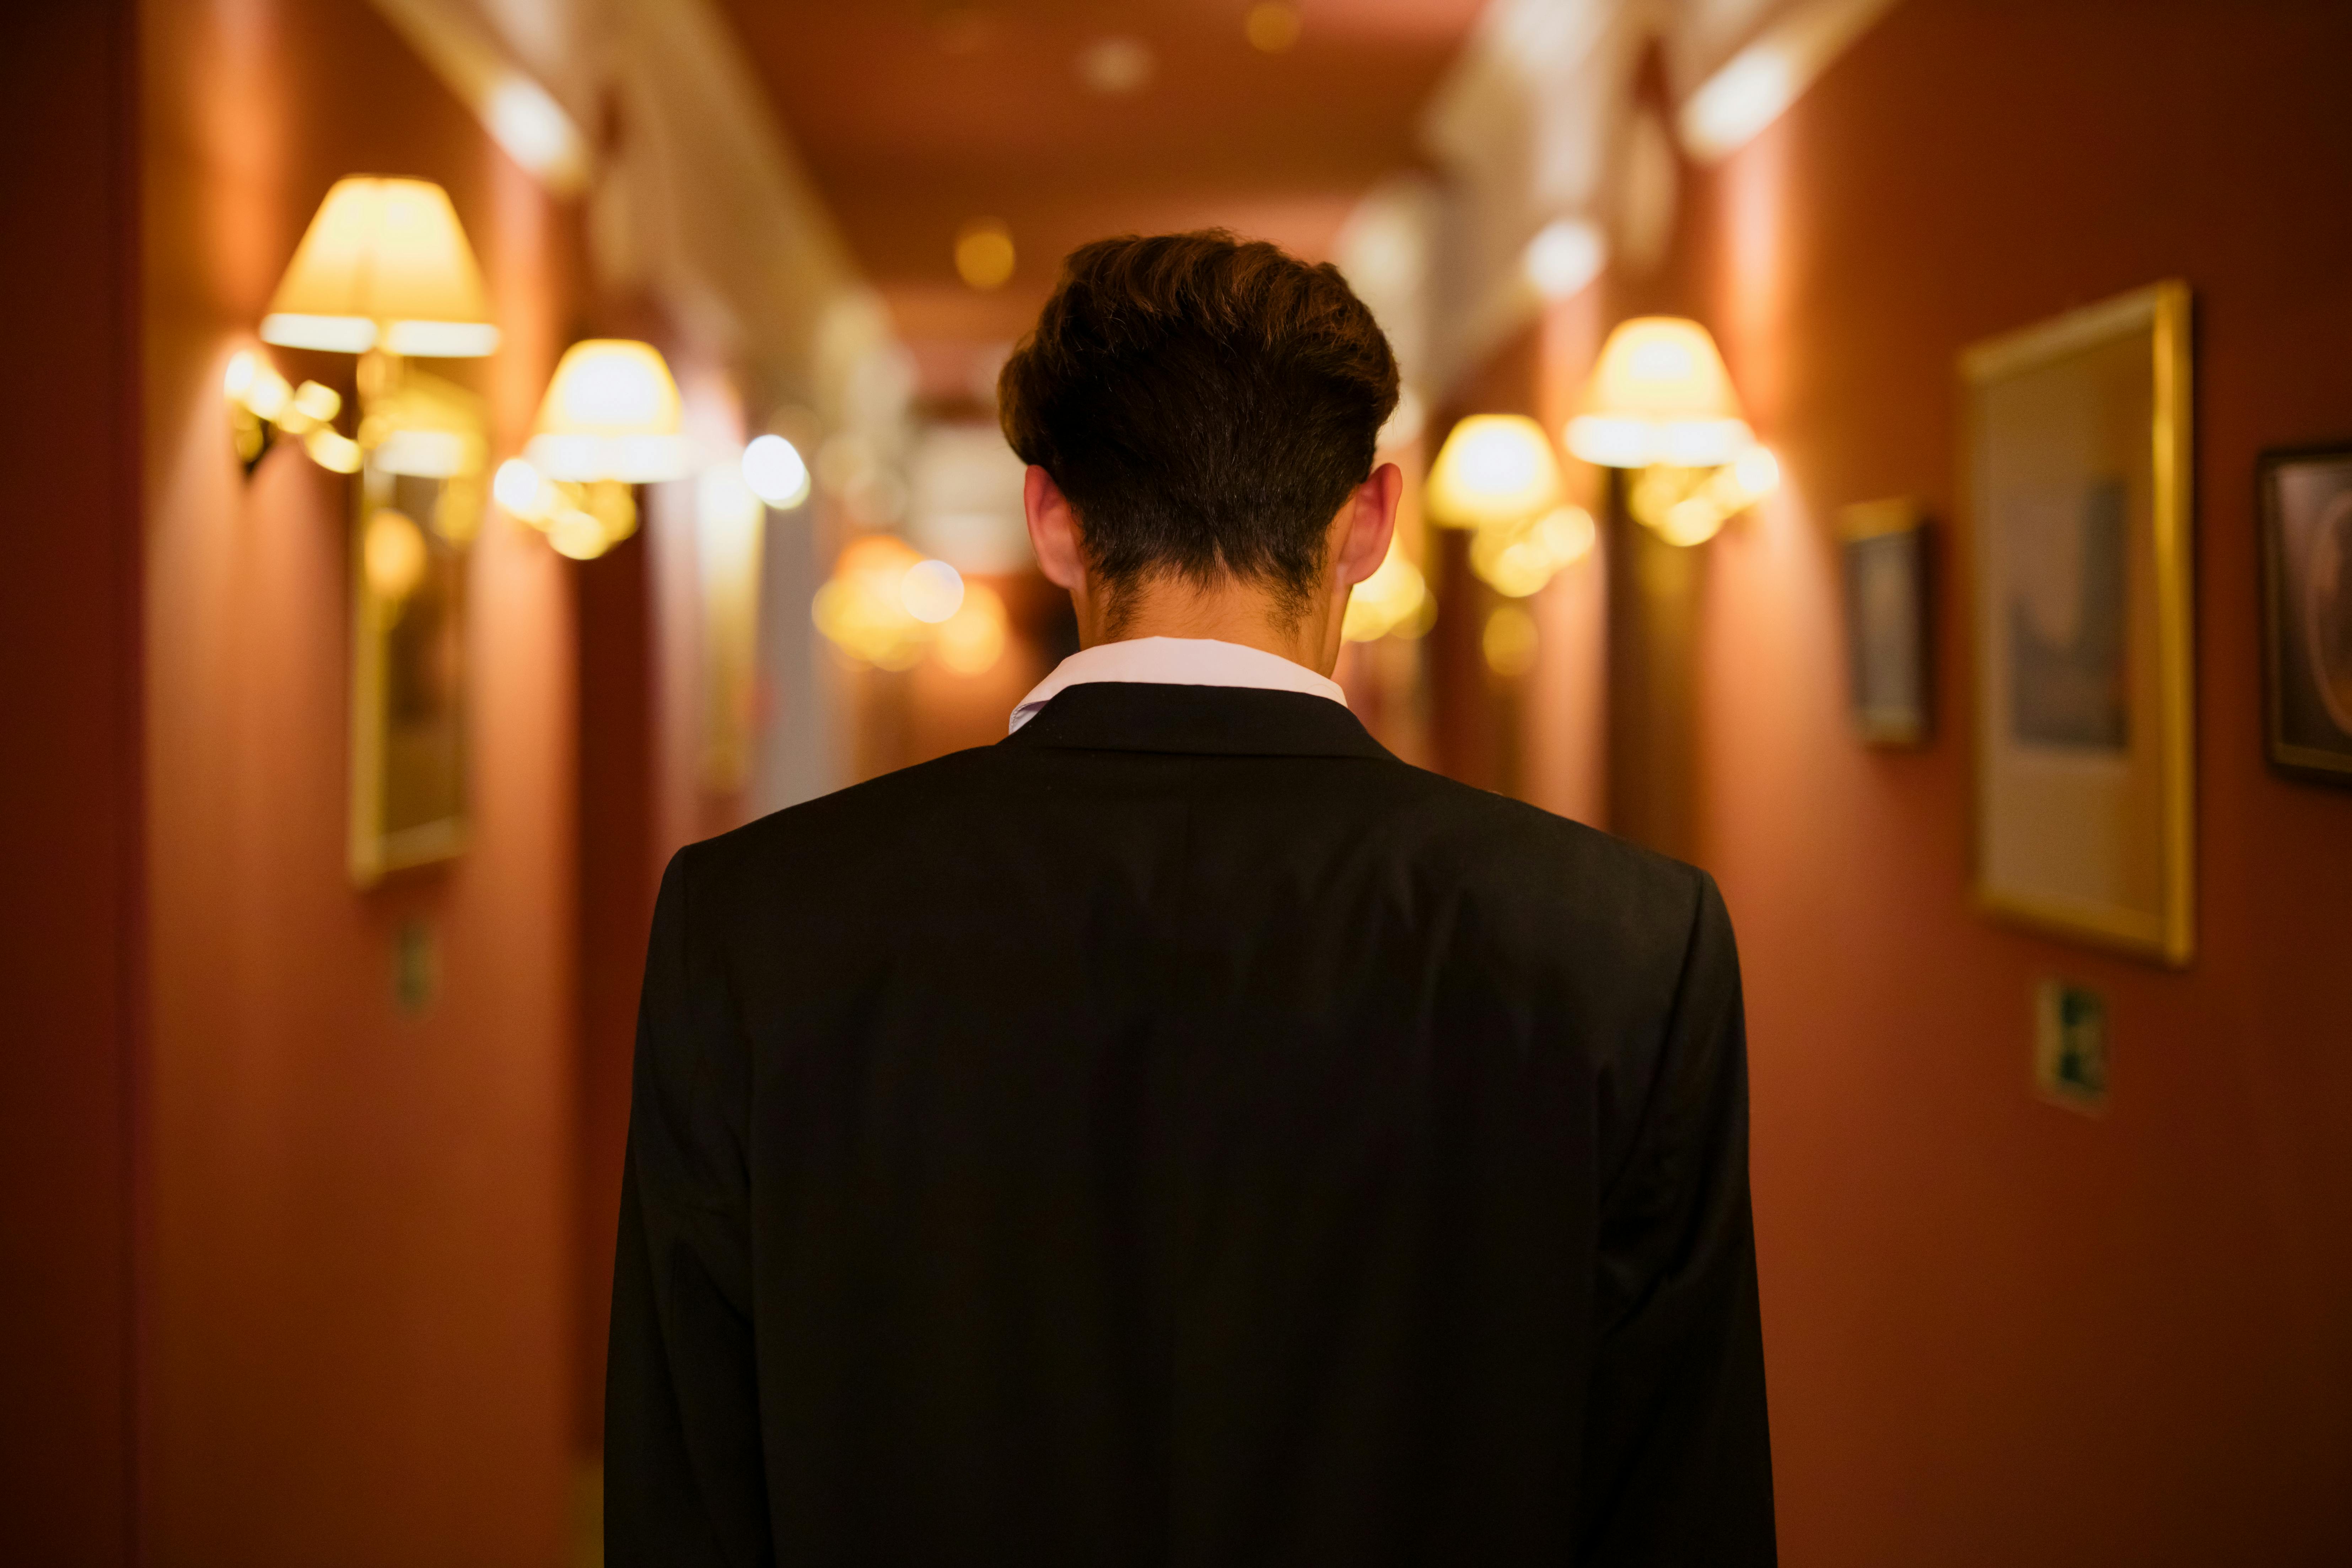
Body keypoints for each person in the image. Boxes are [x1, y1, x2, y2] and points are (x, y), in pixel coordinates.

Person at [605, 231, 1775, 1565]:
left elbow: (685, 1495)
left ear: (1051, 517)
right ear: (1371, 523)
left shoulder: (753, 919)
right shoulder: (1625, 941)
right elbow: (1681, 1505)